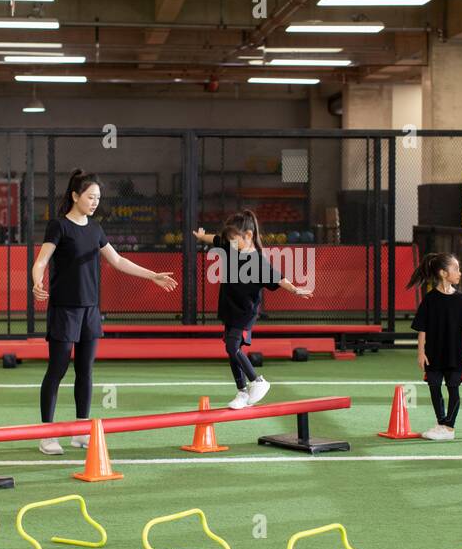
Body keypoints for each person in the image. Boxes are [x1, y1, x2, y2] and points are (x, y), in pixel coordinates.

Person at [31, 169, 178, 455]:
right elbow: (42, 261)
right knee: (57, 370)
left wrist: (153, 275)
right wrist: (37, 280)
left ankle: (81, 432)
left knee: (85, 371)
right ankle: (46, 435)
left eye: (98, 197)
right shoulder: (58, 226)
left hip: (90, 311)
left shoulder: (96, 229)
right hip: (64, 310)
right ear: (75, 196)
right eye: (90, 196)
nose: (95, 201)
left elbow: (119, 261)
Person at [193, 209, 313, 409]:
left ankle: (258, 381)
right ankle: (242, 392)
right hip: (230, 308)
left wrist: (295, 290)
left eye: (234, 238)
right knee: (231, 350)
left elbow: (278, 277)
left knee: (233, 346)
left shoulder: (258, 262)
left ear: (248, 236)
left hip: (245, 312)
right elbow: (214, 239)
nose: (230, 241)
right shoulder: (231, 247)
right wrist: (200, 236)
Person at [407, 253, 462, 441]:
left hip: (456, 354)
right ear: (443, 273)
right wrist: (421, 352)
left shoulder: (461, 299)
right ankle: (441, 423)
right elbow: (422, 328)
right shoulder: (430, 299)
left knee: (453, 388)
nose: (459, 273)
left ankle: (449, 428)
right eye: (456, 269)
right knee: (434, 386)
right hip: (433, 354)